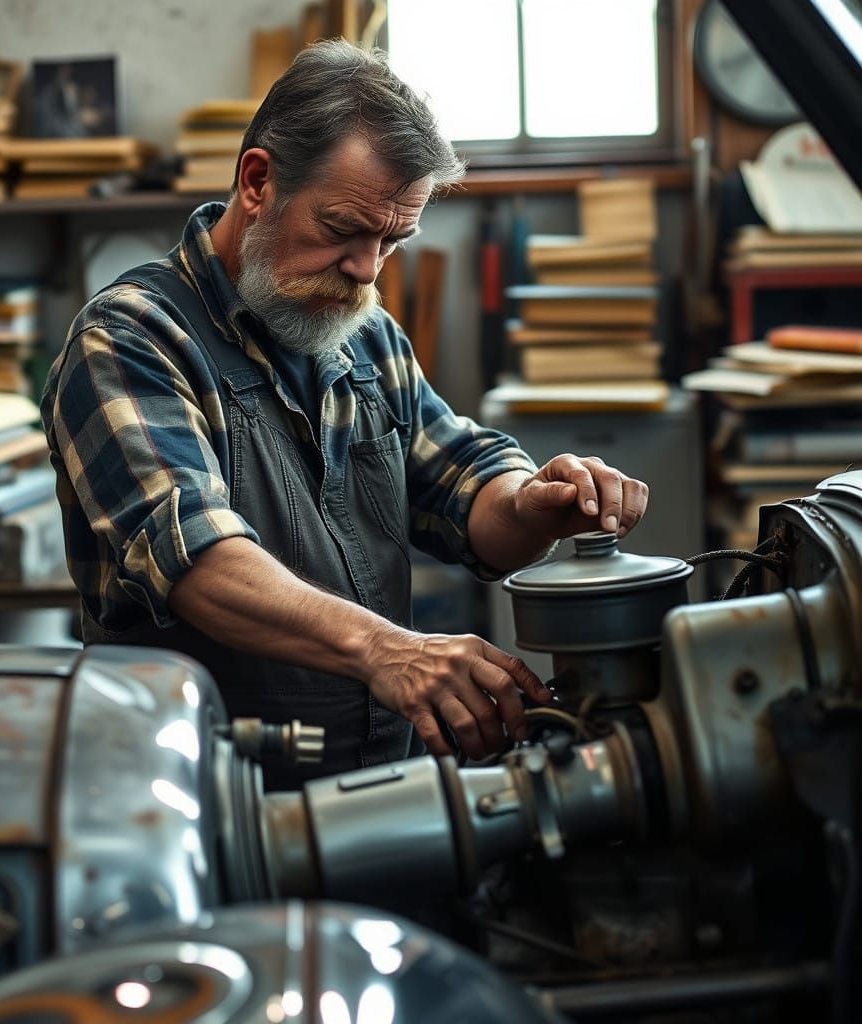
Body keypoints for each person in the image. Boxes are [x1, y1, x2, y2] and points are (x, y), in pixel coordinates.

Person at [41, 40, 649, 790]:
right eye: (342, 231)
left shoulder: (361, 330)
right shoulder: (131, 338)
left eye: (392, 242)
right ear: (258, 181)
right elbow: (197, 561)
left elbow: (462, 486)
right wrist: (387, 650)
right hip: (196, 797)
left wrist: (536, 503)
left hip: (376, 790)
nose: (367, 269)